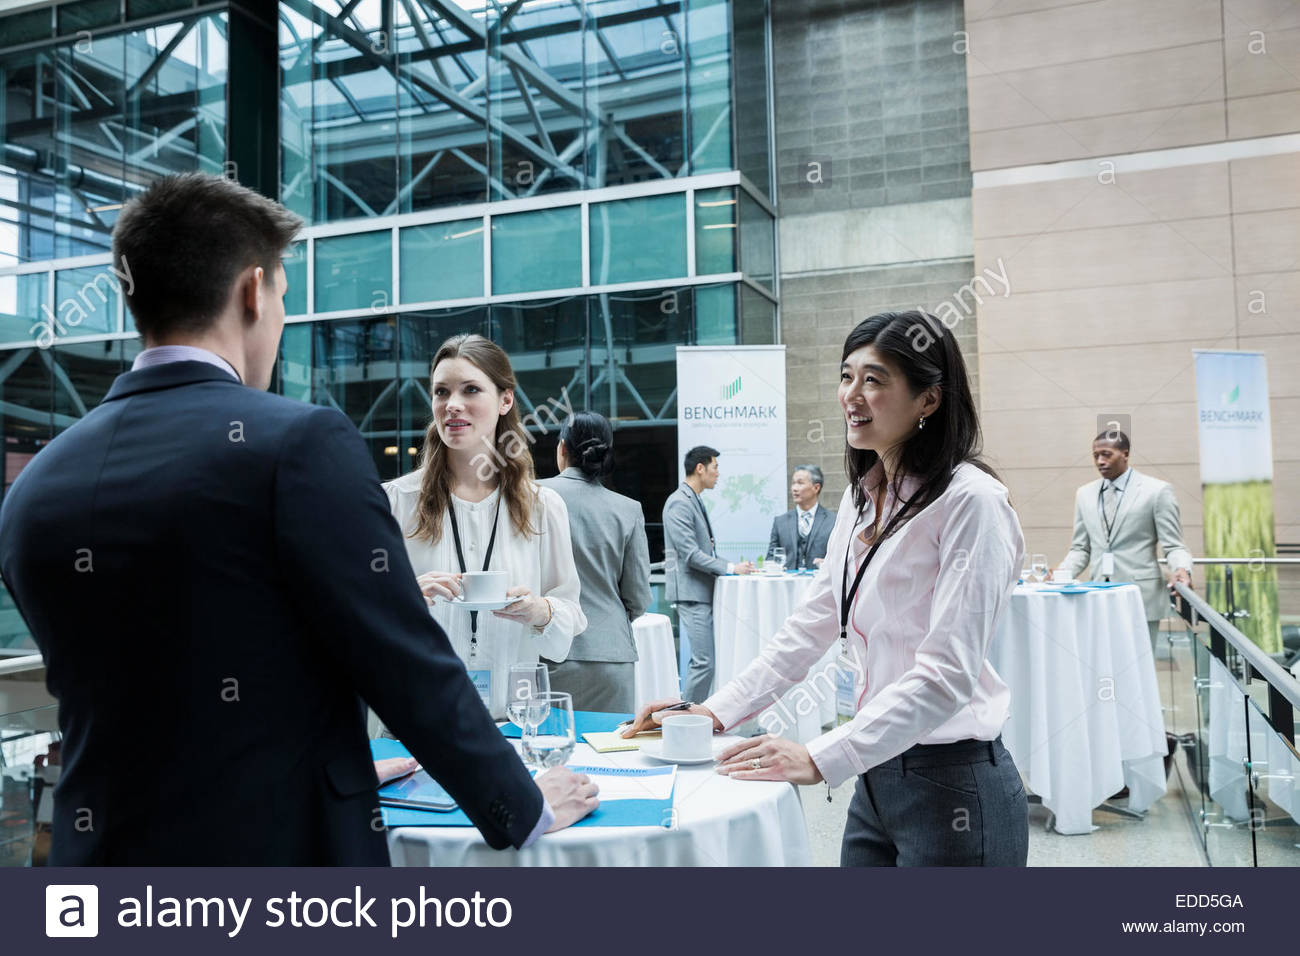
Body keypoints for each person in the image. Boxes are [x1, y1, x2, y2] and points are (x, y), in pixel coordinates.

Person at [0, 174, 596, 865]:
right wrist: (522, 805)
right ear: (253, 292)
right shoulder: (298, 445)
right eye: (283, 295)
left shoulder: (37, 486)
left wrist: (329, 757)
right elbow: (406, 664)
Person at [627, 310, 1029, 867]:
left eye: (874, 379)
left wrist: (820, 756)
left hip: (952, 782)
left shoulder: (972, 502)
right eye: (846, 376)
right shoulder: (865, 497)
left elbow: (947, 675)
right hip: (874, 775)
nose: (852, 395)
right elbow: (809, 627)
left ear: (929, 400)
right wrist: (711, 714)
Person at [384, 333, 586, 721]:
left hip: (515, 721)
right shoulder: (394, 502)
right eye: (441, 392)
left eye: (471, 390)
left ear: (505, 400)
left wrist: (540, 610)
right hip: (418, 721)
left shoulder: (543, 507)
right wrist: (402, 597)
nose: (452, 406)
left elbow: (571, 613)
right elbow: (354, 619)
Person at [538, 412, 651, 712]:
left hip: (545, 652)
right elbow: (638, 598)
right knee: (612, 755)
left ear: (562, 448)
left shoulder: (529, 496)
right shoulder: (628, 509)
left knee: (543, 751)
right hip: (612, 657)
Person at [1056, 430, 1194, 648]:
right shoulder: (1084, 494)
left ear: (1125, 454)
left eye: (1106, 454)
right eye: (1095, 456)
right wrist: (1059, 576)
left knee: (1138, 669)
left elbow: (1174, 545)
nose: (1100, 461)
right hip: (1098, 594)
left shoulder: (1156, 491)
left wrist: (1182, 569)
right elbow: (1080, 549)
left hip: (1141, 597)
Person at [663, 446, 755, 704]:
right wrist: (730, 568)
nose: (718, 474)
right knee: (704, 663)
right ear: (700, 468)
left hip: (702, 592)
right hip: (692, 594)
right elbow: (690, 554)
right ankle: (682, 719)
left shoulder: (692, 499)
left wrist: (734, 567)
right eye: (715, 467)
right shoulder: (679, 502)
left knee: (705, 661)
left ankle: (690, 716)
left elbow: (702, 551)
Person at [766, 464, 834, 569]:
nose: (794, 488)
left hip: (819, 583)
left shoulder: (833, 521)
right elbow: (770, 559)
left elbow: (840, 558)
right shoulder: (780, 522)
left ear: (816, 488)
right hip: (787, 584)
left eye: (800, 483)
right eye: (793, 483)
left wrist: (828, 564)